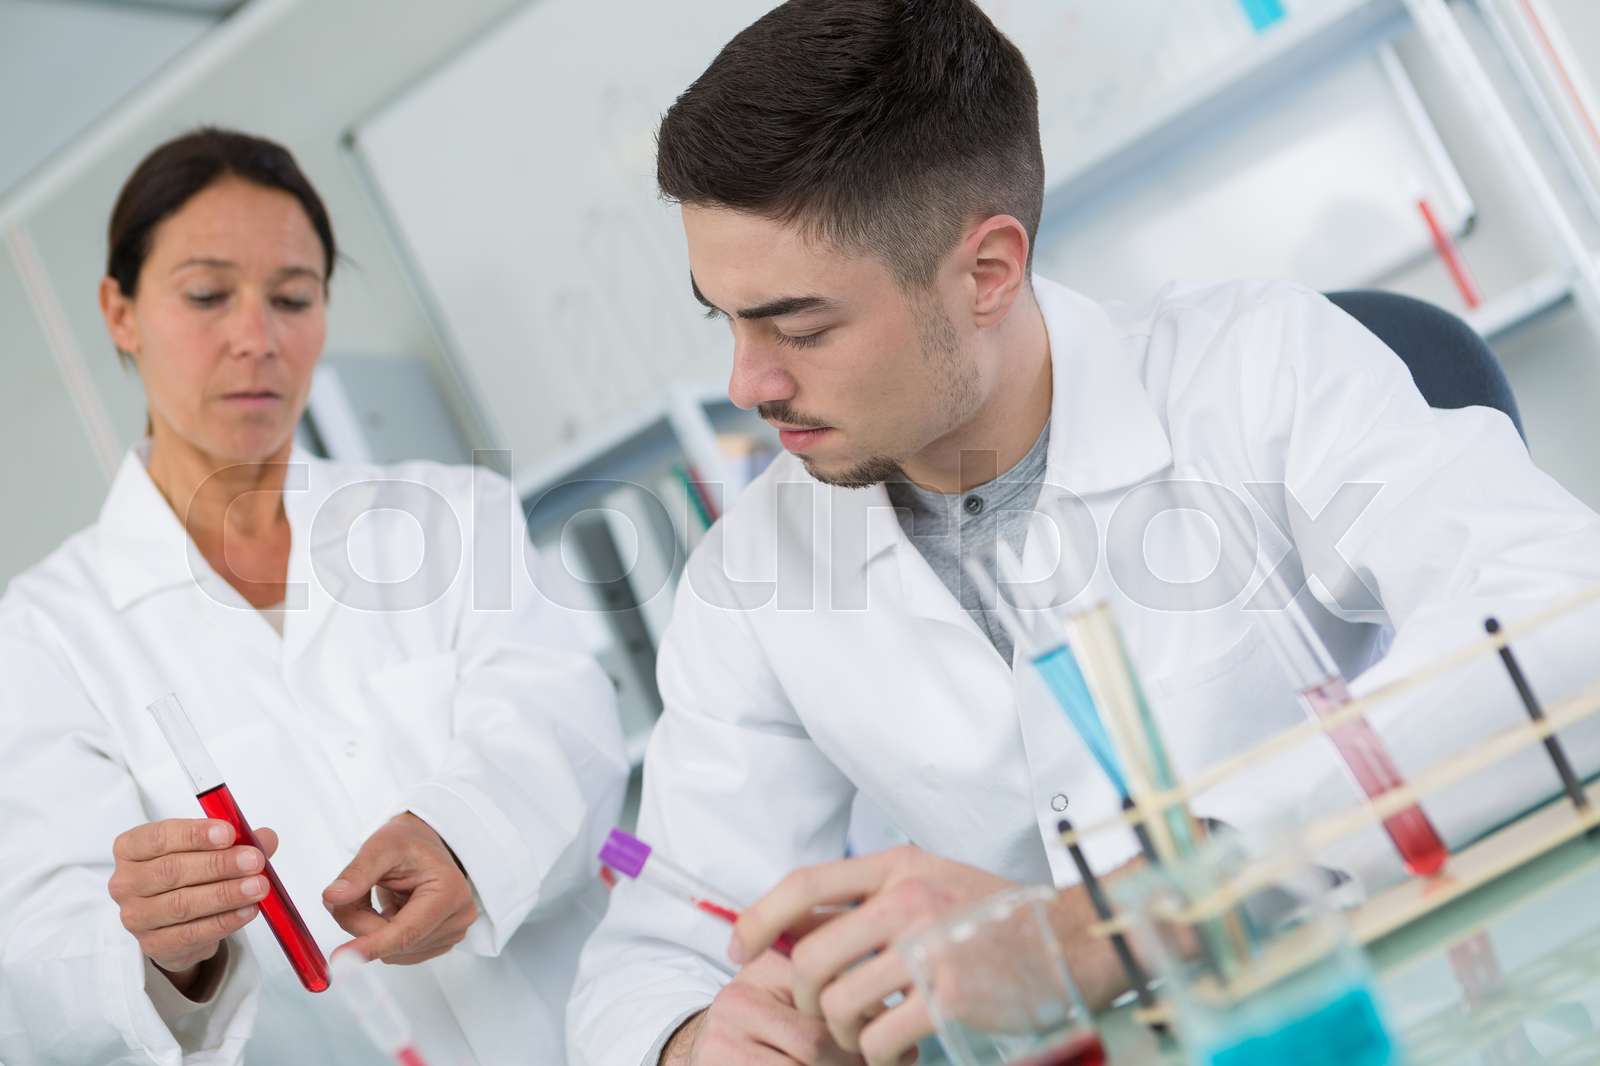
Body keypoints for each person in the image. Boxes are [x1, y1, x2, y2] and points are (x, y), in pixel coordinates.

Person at [567, 2, 1600, 1065]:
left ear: (987, 273)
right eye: (724, 319)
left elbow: (1566, 619)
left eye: (800, 326)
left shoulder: (1257, 368)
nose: (747, 383)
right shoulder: (750, 573)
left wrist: (1130, 917)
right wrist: (694, 1039)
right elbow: (658, 938)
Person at [0, 128, 628, 1064]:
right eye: (207, 295)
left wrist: (465, 841)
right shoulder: (44, 636)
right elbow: (37, 965)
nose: (257, 338)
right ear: (120, 313)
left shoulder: (453, 516)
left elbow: (567, 729)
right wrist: (161, 952)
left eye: (293, 298)